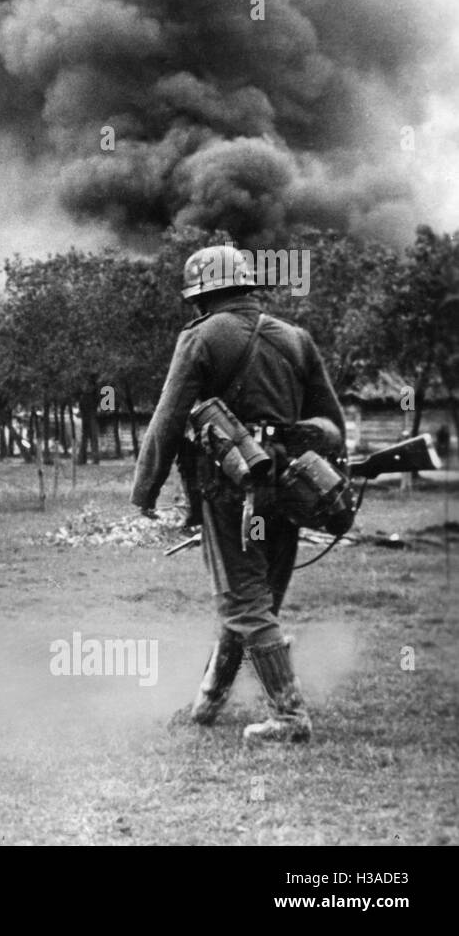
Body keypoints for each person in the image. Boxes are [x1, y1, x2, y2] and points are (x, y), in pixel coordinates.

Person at [131, 245, 345, 743]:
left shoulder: (201, 337)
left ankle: (290, 718)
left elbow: (167, 421)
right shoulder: (297, 339)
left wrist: (145, 491)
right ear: (248, 286)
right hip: (290, 492)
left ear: (203, 297)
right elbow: (331, 425)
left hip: (228, 495)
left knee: (245, 599)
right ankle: (209, 701)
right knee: (251, 599)